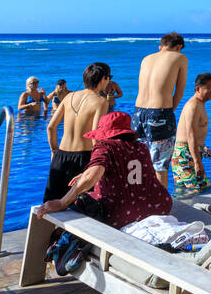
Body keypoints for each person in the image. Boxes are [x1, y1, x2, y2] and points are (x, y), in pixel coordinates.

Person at [37, 111, 173, 229]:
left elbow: (92, 176)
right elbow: (131, 173)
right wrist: (87, 173)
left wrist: (62, 202)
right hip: (158, 205)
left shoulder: (105, 146)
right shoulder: (141, 147)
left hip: (120, 213)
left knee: (79, 199)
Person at [44, 62, 110, 202]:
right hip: (83, 157)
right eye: (108, 77)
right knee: (82, 206)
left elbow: (50, 127)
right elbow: (95, 135)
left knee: (52, 204)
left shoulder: (68, 97)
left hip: (60, 155)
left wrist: (54, 151)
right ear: (103, 79)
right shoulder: (101, 102)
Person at [134, 32, 188, 189]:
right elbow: (179, 91)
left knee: (140, 162)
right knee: (161, 165)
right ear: (178, 47)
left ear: (161, 46)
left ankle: (141, 200)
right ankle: (160, 206)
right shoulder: (180, 57)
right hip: (160, 112)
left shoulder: (146, 58)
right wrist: (170, 111)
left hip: (138, 113)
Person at [172, 73, 211, 197]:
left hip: (185, 153)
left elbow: (195, 132)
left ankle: (179, 213)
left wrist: (203, 146)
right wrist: (197, 162)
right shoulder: (193, 106)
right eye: (209, 88)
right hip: (185, 155)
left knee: (182, 192)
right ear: (198, 89)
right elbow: (190, 134)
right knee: (201, 188)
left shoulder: (200, 104)